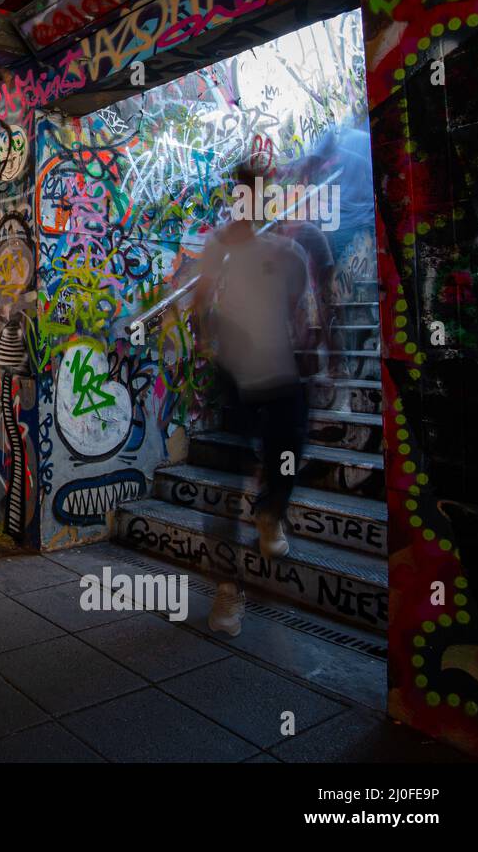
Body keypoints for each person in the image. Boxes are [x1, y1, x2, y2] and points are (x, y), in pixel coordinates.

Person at [193, 160, 319, 635]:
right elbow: (201, 300)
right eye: (243, 192)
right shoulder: (219, 248)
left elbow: (300, 313)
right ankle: (228, 589)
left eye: (259, 192)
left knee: (287, 453)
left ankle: (271, 510)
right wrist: (208, 334)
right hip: (233, 379)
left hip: (281, 377)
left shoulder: (288, 251)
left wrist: (309, 344)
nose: (250, 201)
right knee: (224, 488)